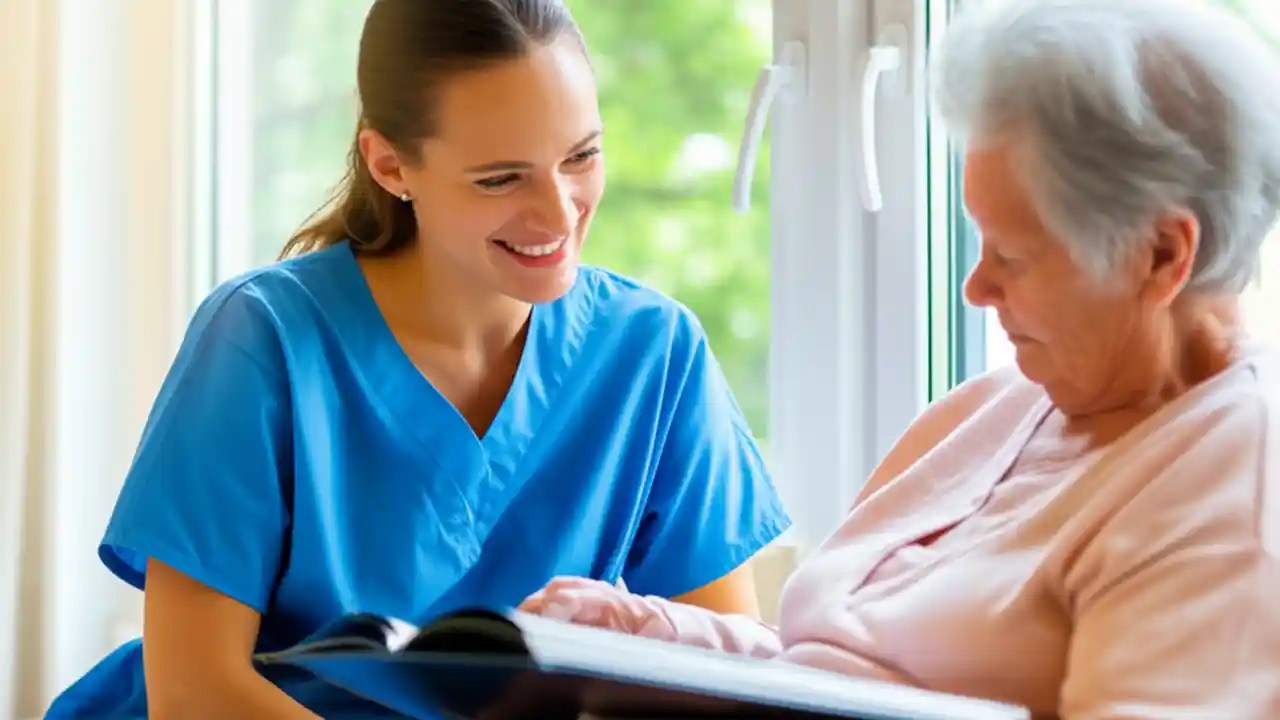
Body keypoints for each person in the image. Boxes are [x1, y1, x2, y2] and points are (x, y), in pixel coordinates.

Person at [520, 0, 1280, 717]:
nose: (976, 287)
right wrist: (647, 633)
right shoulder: (997, 408)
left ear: (1161, 253)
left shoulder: (1224, 496)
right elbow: (832, 670)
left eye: (1013, 256)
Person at [45, 0, 790, 717]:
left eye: (581, 156)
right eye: (501, 178)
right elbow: (196, 696)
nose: (559, 211)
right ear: (391, 165)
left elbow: (724, 683)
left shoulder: (655, 354)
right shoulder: (262, 338)